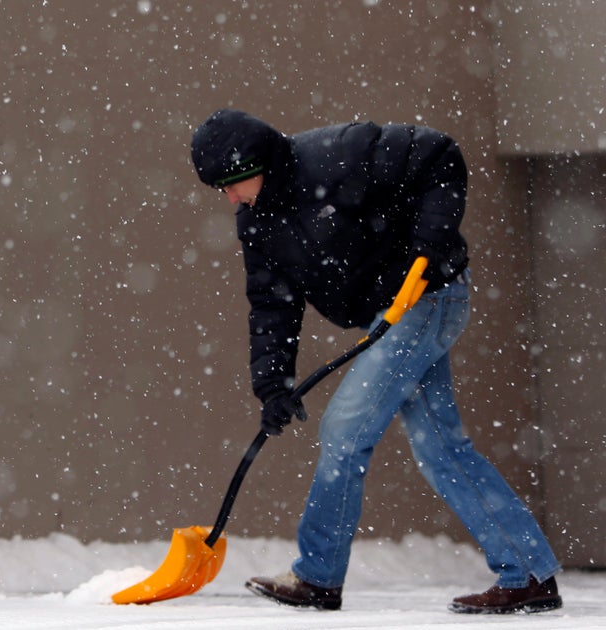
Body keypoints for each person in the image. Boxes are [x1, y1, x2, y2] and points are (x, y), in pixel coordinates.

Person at [190, 109, 562, 614]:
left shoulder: (334, 157)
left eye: (234, 183)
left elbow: (438, 154)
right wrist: (273, 384)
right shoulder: (257, 220)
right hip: (386, 314)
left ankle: (317, 576)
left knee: (345, 429)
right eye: (221, 189)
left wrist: (432, 240)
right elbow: (272, 302)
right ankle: (529, 572)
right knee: (441, 447)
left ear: (263, 163)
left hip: (426, 296)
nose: (231, 197)